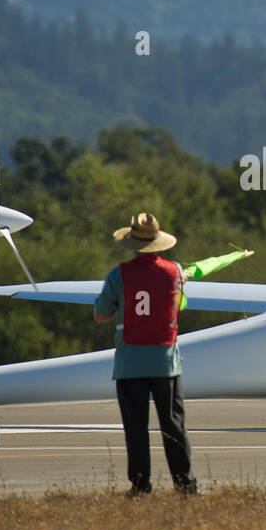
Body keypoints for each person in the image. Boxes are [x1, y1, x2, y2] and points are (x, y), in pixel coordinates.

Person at [94, 212, 198, 497]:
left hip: (131, 362)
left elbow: (101, 315)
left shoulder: (118, 275)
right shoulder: (175, 271)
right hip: (165, 360)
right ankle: (185, 484)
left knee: (136, 428)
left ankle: (141, 486)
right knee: (174, 425)